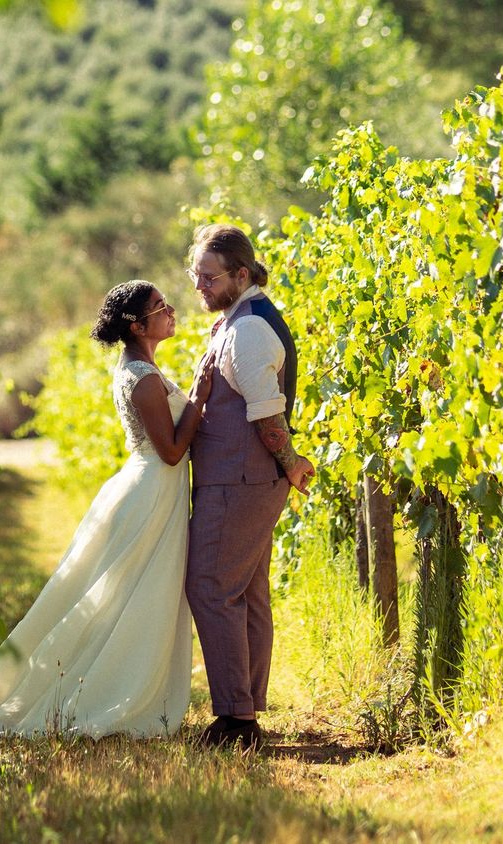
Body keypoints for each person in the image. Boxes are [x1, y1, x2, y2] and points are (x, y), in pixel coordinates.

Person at [0, 281, 213, 742]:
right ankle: (104, 694)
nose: (171, 310)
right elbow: (172, 452)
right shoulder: (142, 377)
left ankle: (125, 685)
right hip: (152, 491)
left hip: (155, 489)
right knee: (125, 596)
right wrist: (199, 396)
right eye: (160, 307)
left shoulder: (142, 367)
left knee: (132, 596)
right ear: (138, 326)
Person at [184, 224, 315, 751]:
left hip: (239, 480)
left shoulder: (250, 329)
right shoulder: (237, 319)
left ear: (241, 274)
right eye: (196, 276)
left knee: (211, 586)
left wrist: (291, 462)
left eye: (209, 277)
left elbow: (266, 413)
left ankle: (237, 721)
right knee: (245, 592)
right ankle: (246, 710)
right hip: (239, 477)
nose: (200, 286)